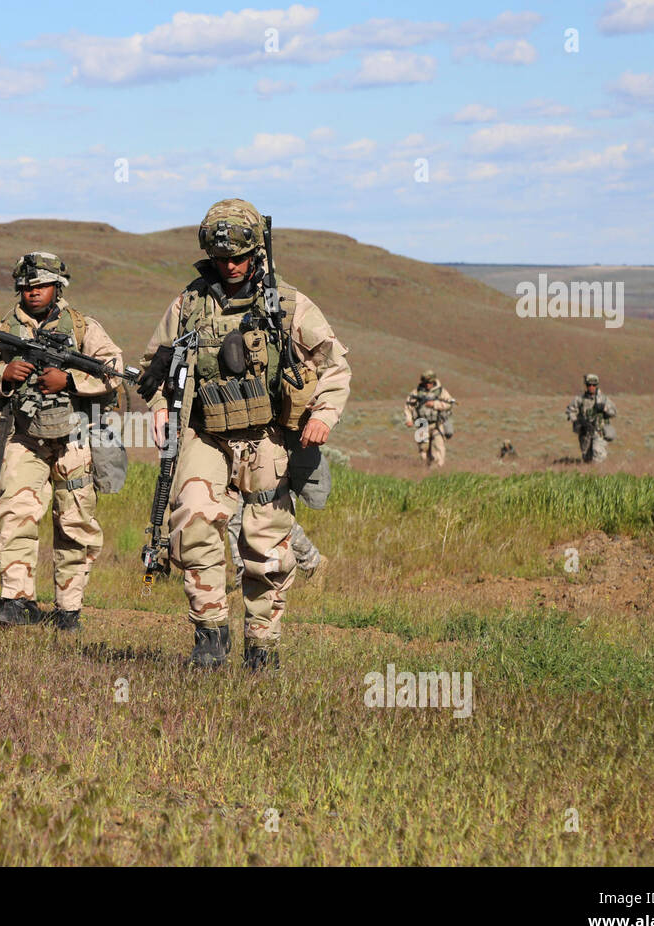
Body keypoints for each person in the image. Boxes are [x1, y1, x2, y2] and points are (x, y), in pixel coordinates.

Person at [140, 199, 351, 670]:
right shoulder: (189, 304)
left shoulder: (289, 305)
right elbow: (156, 368)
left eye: (238, 256)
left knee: (266, 544)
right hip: (205, 434)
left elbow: (335, 364)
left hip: (268, 437)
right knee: (192, 525)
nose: (230, 265)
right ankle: (209, 636)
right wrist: (158, 409)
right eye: (221, 258)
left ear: (256, 252)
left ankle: (263, 647)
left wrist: (324, 413)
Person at [0, 252, 123, 632]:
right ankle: (17, 601)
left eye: (40, 286)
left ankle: (69, 608)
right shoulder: (4, 329)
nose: (32, 292)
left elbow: (113, 371)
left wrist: (68, 381)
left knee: (75, 520)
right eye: (26, 286)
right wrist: (3, 375)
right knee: (14, 516)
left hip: (74, 437)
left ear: (57, 287)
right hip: (22, 437)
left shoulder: (84, 327)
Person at [227, 497, 326, 592]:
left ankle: (312, 560)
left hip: (278, 483)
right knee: (237, 516)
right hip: (241, 481)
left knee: (281, 524)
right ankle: (245, 579)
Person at [403, 370, 455, 467]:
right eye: (426, 383)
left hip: (437, 424)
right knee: (423, 451)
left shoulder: (441, 391)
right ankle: (426, 470)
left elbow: (449, 404)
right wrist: (409, 420)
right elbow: (408, 407)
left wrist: (435, 404)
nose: (428, 385)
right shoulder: (416, 392)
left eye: (430, 383)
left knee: (438, 450)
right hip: (422, 424)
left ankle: (437, 472)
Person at [565, 373, 617, 463]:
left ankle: (599, 475)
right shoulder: (579, 399)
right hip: (585, 432)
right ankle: (589, 474)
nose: (591, 387)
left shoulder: (603, 399)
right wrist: (578, 421)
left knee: (598, 453)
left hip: (599, 431)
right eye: (589, 385)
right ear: (586, 385)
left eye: (594, 385)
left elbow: (614, 412)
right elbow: (570, 411)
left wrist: (604, 409)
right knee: (586, 457)